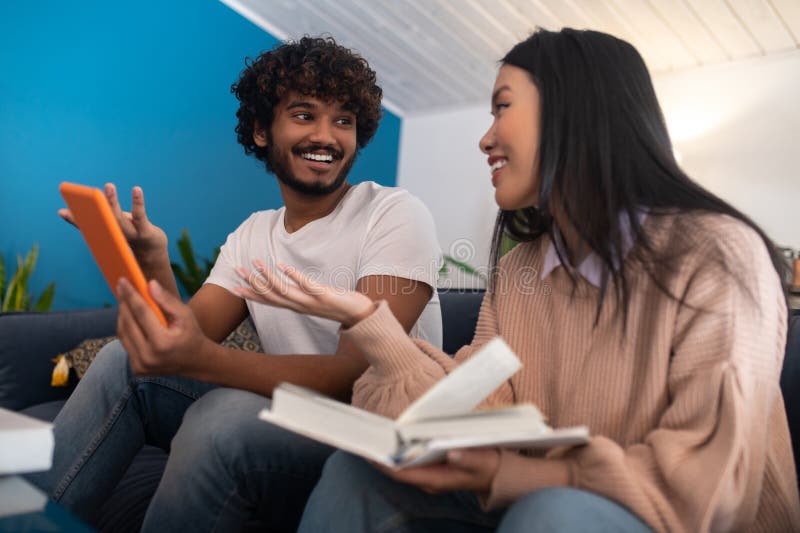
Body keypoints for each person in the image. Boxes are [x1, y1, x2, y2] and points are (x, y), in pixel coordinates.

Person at [236, 28, 800, 532]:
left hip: (671, 519)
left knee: (550, 511)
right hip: (535, 495)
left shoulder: (718, 255)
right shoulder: (521, 269)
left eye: (501, 107)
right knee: (357, 472)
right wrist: (370, 324)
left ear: (574, 112)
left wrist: (513, 474)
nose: (485, 140)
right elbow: (474, 406)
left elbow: (702, 495)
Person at [28, 36, 442, 532]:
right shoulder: (253, 233)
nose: (328, 136)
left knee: (223, 415)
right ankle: (27, 523)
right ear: (262, 130)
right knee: (124, 359)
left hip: (376, 435)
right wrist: (154, 260)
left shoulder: (394, 214)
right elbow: (188, 339)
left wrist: (207, 361)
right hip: (297, 420)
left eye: (344, 120)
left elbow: (353, 374)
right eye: (305, 115)